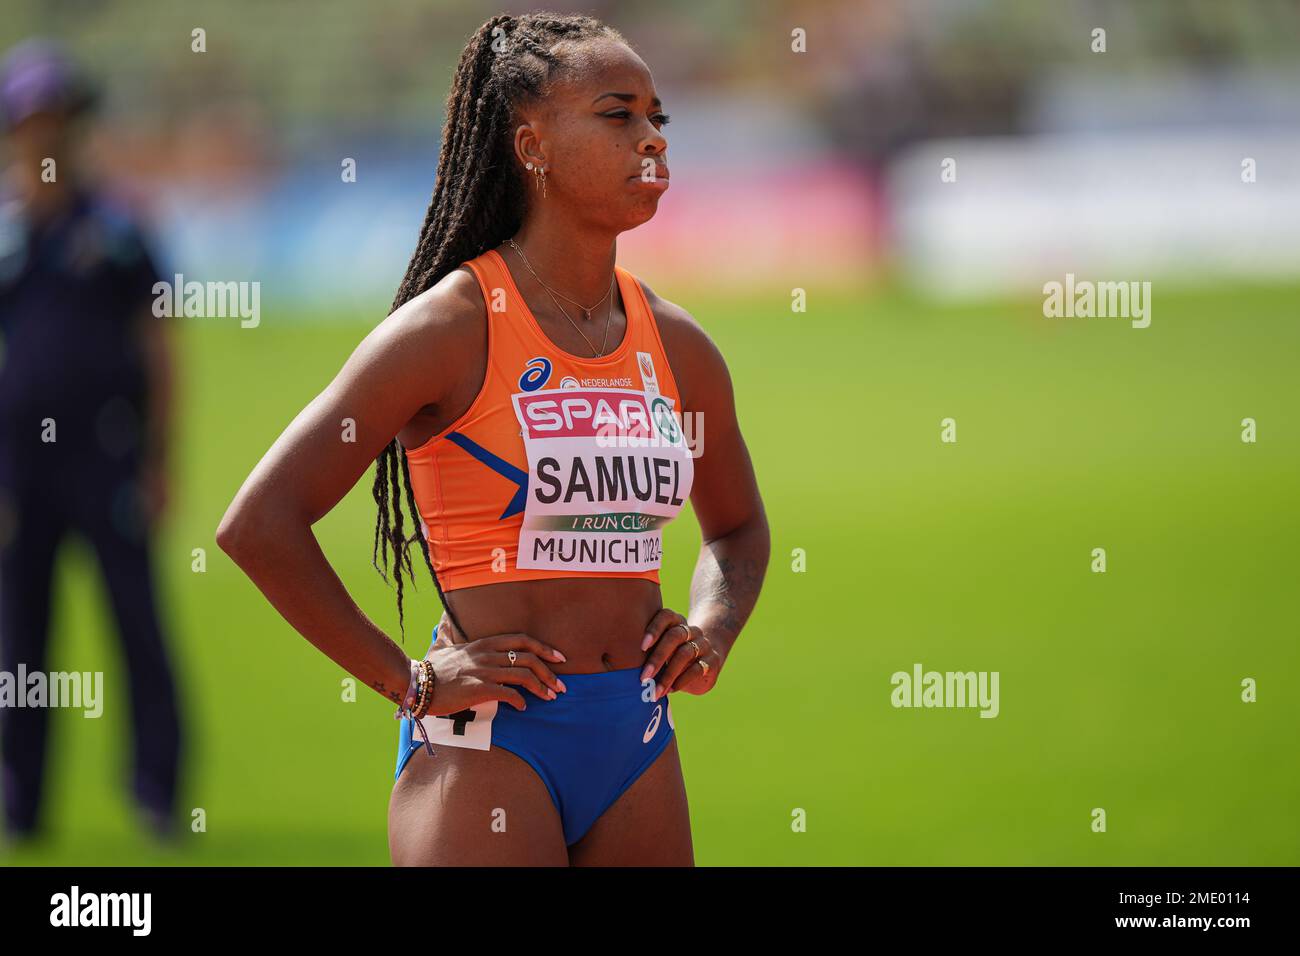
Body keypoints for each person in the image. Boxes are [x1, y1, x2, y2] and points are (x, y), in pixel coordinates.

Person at [217, 11, 768, 866]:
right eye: (618, 114)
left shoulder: (677, 343)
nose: (651, 138)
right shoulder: (450, 327)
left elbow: (737, 528)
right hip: (490, 752)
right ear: (531, 145)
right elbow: (259, 523)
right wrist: (408, 681)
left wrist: (712, 628)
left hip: (639, 740)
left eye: (659, 116)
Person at [0, 39, 181, 845]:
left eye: (55, 119)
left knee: (137, 626)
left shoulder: (115, 229)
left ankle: (156, 792)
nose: (43, 135)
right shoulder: (4, 238)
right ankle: (21, 804)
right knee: (19, 643)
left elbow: (160, 343)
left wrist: (159, 458)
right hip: (18, 469)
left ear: (74, 126)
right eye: (29, 121)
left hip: (107, 456)